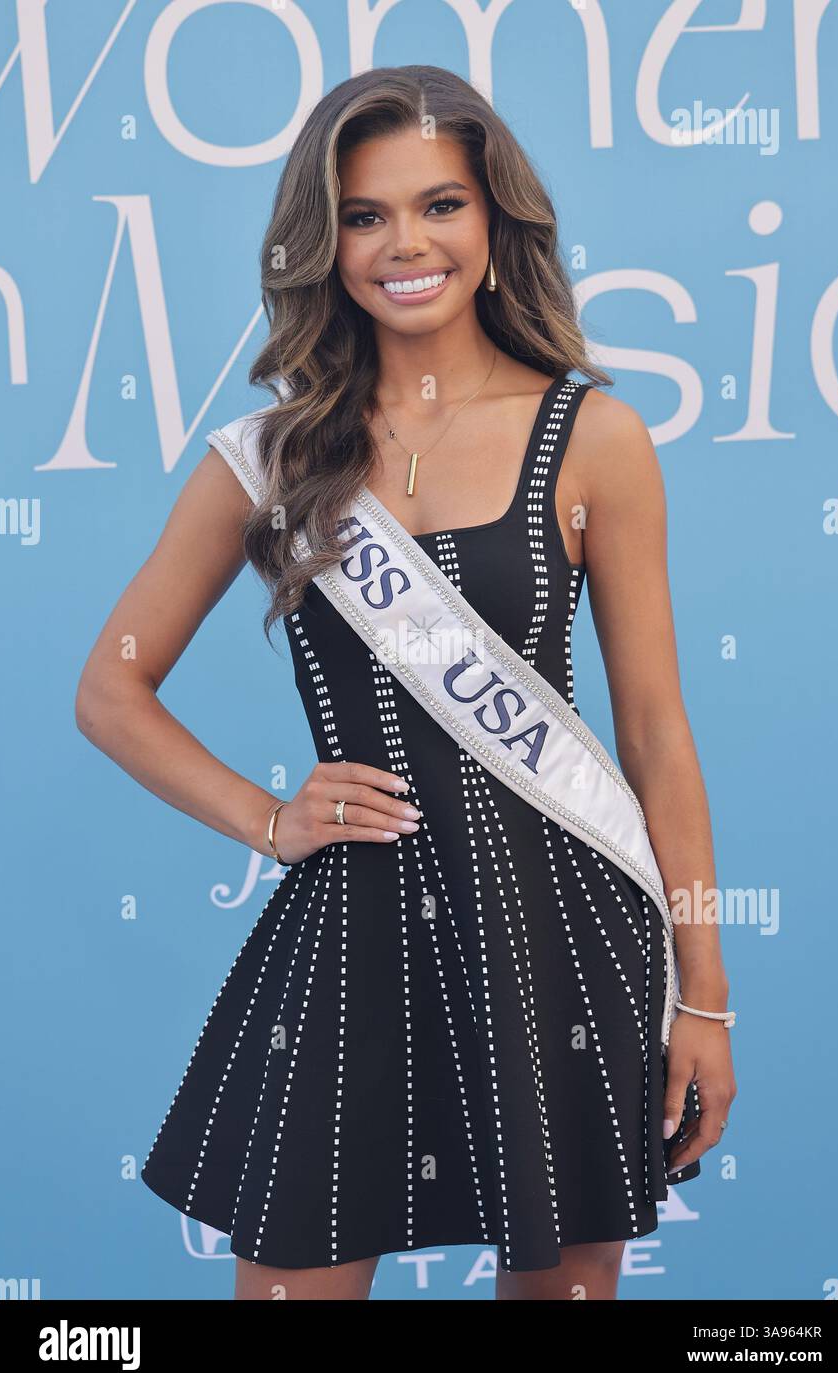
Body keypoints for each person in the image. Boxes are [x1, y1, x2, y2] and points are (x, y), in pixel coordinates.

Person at [75, 64, 736, 1302]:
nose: (406, 244)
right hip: (355, 926)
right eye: (366, 217)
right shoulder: (271, 454)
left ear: (494, 226)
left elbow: (653, 731)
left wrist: (706, 1000)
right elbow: (112, 689)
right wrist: (268, 820)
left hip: (564, 923)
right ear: (325, 248)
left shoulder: (592, 435)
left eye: (440, 205)